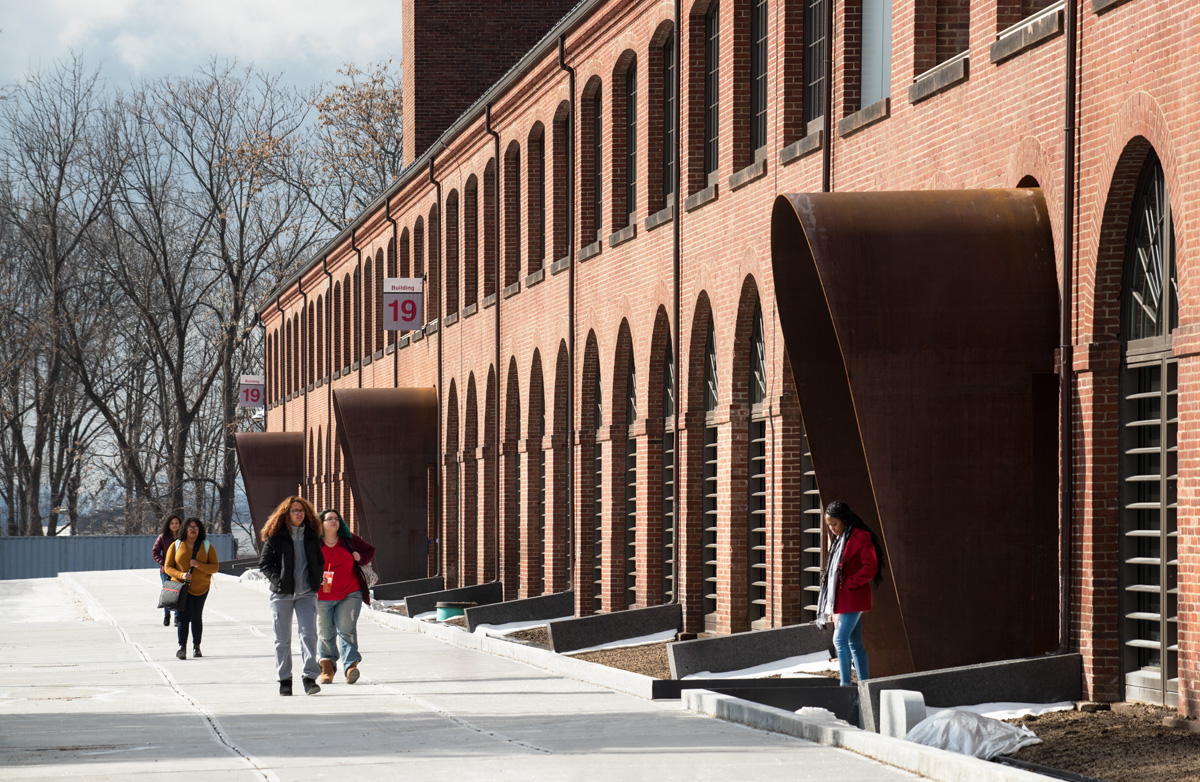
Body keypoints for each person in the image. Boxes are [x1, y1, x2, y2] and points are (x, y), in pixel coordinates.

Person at [816, 500, 886, 687]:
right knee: (855, 643)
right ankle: (864, 685)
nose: (832, 529)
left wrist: (850, 583)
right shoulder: (842, 538)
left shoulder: (860, 536)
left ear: (844, 519)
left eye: (834, 524)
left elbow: (870, 566)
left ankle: (845, 685)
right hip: (845, 597)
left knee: (839, 639)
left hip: (854, 596)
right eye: (829, 525)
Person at [259, 496, 324, 696]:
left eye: (302, 510)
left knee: (309, 635)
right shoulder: (276, 536)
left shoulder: (312, 535)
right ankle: (285, 680)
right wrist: (278, 580)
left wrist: (317, 580)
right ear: (286, 514)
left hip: (306, 594)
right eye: (295, 510)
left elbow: (319, 561)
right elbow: (265, 564)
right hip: (282, 595)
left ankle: (309, 678)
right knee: (282, 639)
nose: (299, 514)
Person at [316, 508, 376, 685]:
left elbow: (370, 551)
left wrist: (360, 556)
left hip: (350, 593)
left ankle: (351, 667)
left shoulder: (349, 539)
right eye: (329, 519)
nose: (333, 521)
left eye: (336, 518)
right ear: (321, 523)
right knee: (325, 633)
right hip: (321, 596)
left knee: (346, 630)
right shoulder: (313, 543)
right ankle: (327, 668)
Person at [164, 517, 219, 660]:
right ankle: (182, 647)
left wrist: (198, 565)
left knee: (196, 616)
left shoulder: (207, 546)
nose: (193, 529)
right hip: (182, 588)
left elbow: (215, 567)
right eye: (190, 527)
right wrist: (181, 574)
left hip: (201, 587)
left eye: (196, 527)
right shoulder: (176, 545)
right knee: (183, 616)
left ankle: (197, 647)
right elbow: (168, 567)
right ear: (185, 530)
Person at [152, 514, 182, 626]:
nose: (174, 525)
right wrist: (164, 563)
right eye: (172, 523)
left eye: (177, 523)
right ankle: (166, 615)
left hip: (179, 570)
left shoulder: (183, 537)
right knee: (167, 593)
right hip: (165, 571)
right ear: (168, 525)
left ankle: (177, 616)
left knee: (178, 593)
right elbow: (154, 552)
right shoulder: (163, 537)